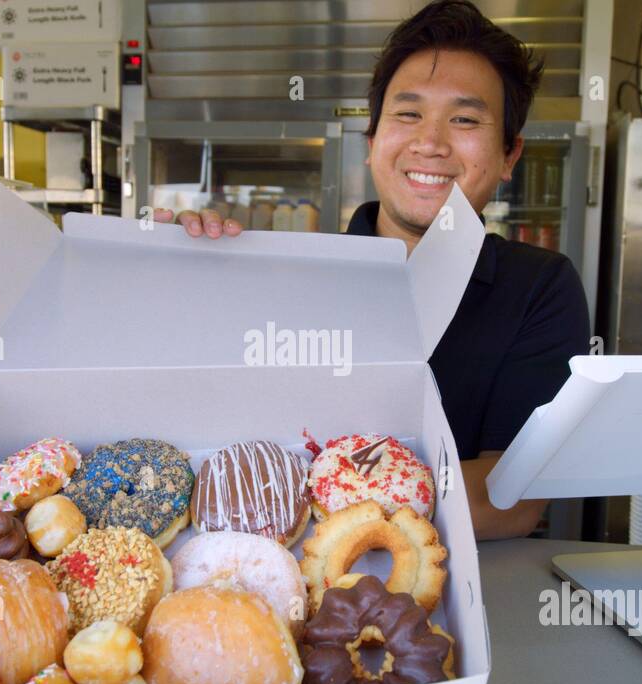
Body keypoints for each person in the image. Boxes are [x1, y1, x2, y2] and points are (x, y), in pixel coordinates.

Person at [152, 0, 590, 540]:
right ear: (371, 143)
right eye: (408, 114)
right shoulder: (295, 277)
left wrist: (327, 506)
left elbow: (509, 498)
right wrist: (181, 276)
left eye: (466, 119)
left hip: (464, 597)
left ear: (508, 155)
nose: (429, 142)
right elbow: (216, 439)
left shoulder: (539, 287)